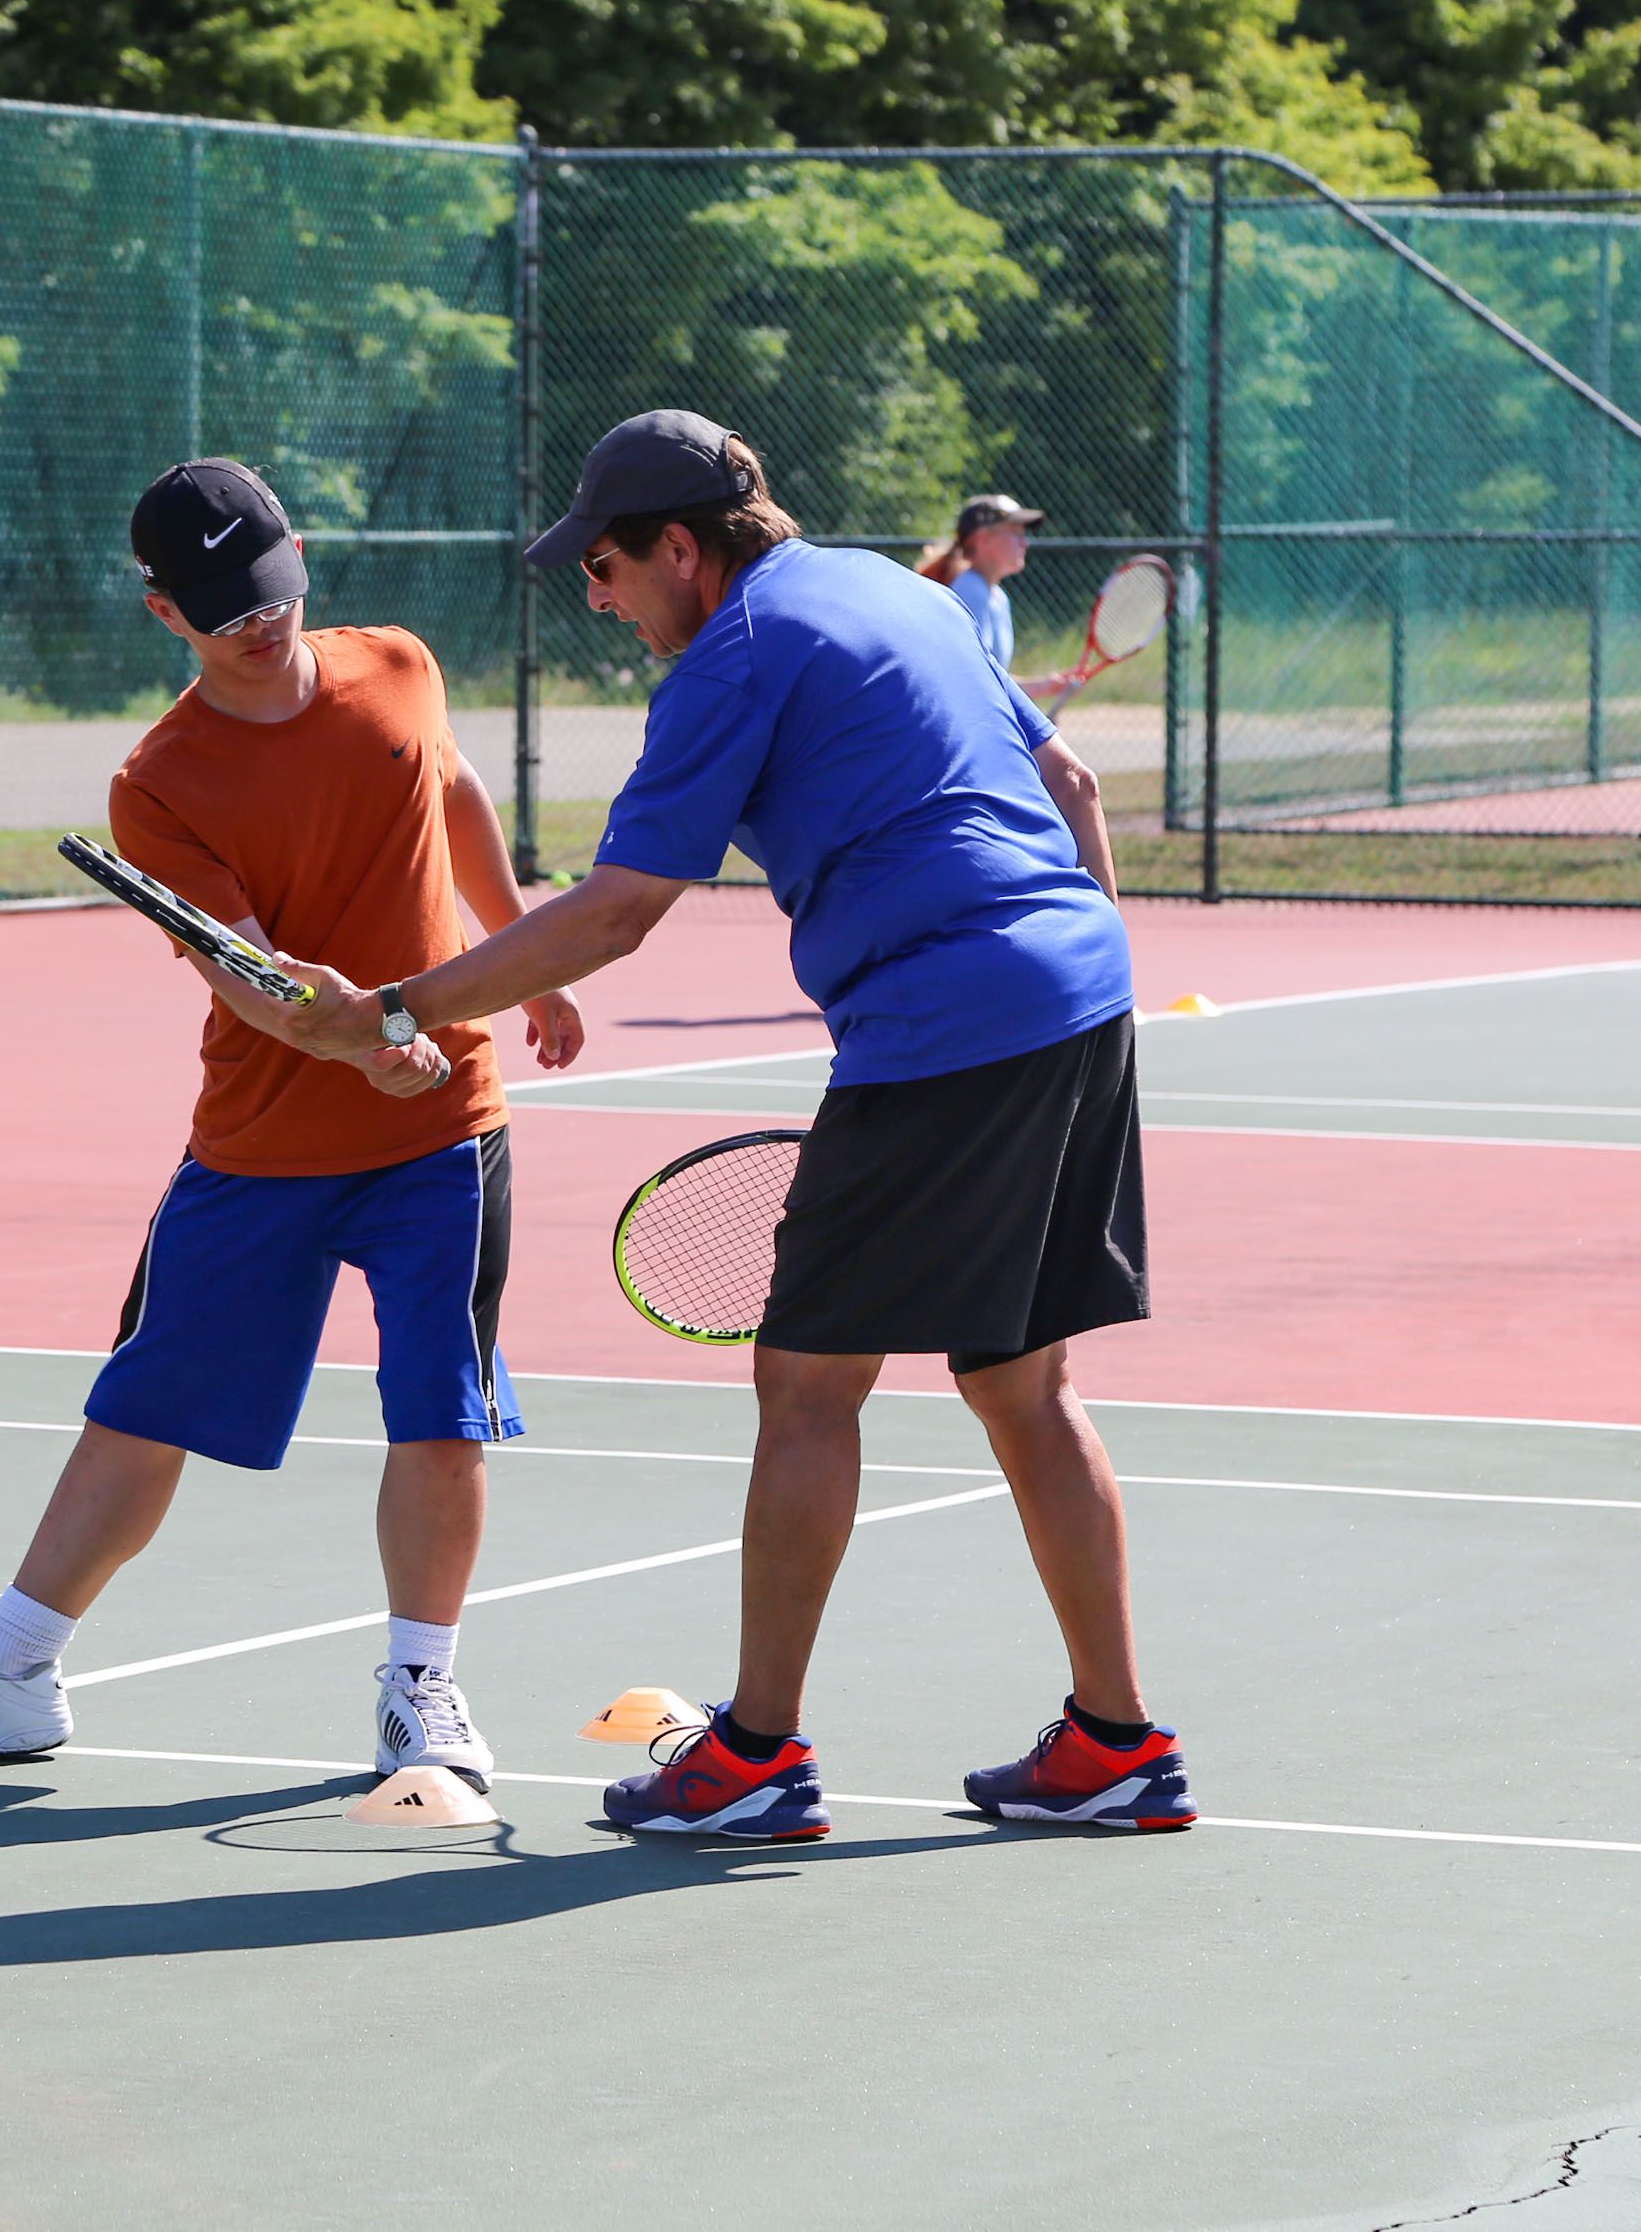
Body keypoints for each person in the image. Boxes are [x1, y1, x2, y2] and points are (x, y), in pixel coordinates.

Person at [245, 410, 1189, 1839]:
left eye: (609, 562)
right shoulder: (895, 587)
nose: (596, 591)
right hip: (1078, 997)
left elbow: (617, 911)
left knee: (807, 1384)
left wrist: (393, 1008)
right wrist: (1071, 973)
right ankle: (1114, 1741)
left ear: (683, 548)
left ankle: (751, 1755)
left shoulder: (733, 655)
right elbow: (1070, 784)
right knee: (1020, 1384)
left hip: (947, 1032)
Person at [0, 457, 585, 1791]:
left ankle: (421, 1689)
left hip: (442, 1131)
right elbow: (250, 973)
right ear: (164, 610)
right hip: (261, 1140)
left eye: (271, 585)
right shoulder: (158, 784)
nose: (257, 619)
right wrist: (361, 1041)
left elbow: (448, 793)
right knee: (143, 1408)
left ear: (301, 555)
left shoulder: (399, 663)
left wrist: (522, 949)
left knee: (440, 1415)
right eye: (221, 602)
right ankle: (5, 1676)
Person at [914, 491, 1074, 711]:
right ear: (982, 539)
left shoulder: (996, 595)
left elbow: (990, 678)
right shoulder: (970, 590)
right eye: (1015, 532)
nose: (1025, 542)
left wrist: (1043, 686)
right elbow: (973, 682)